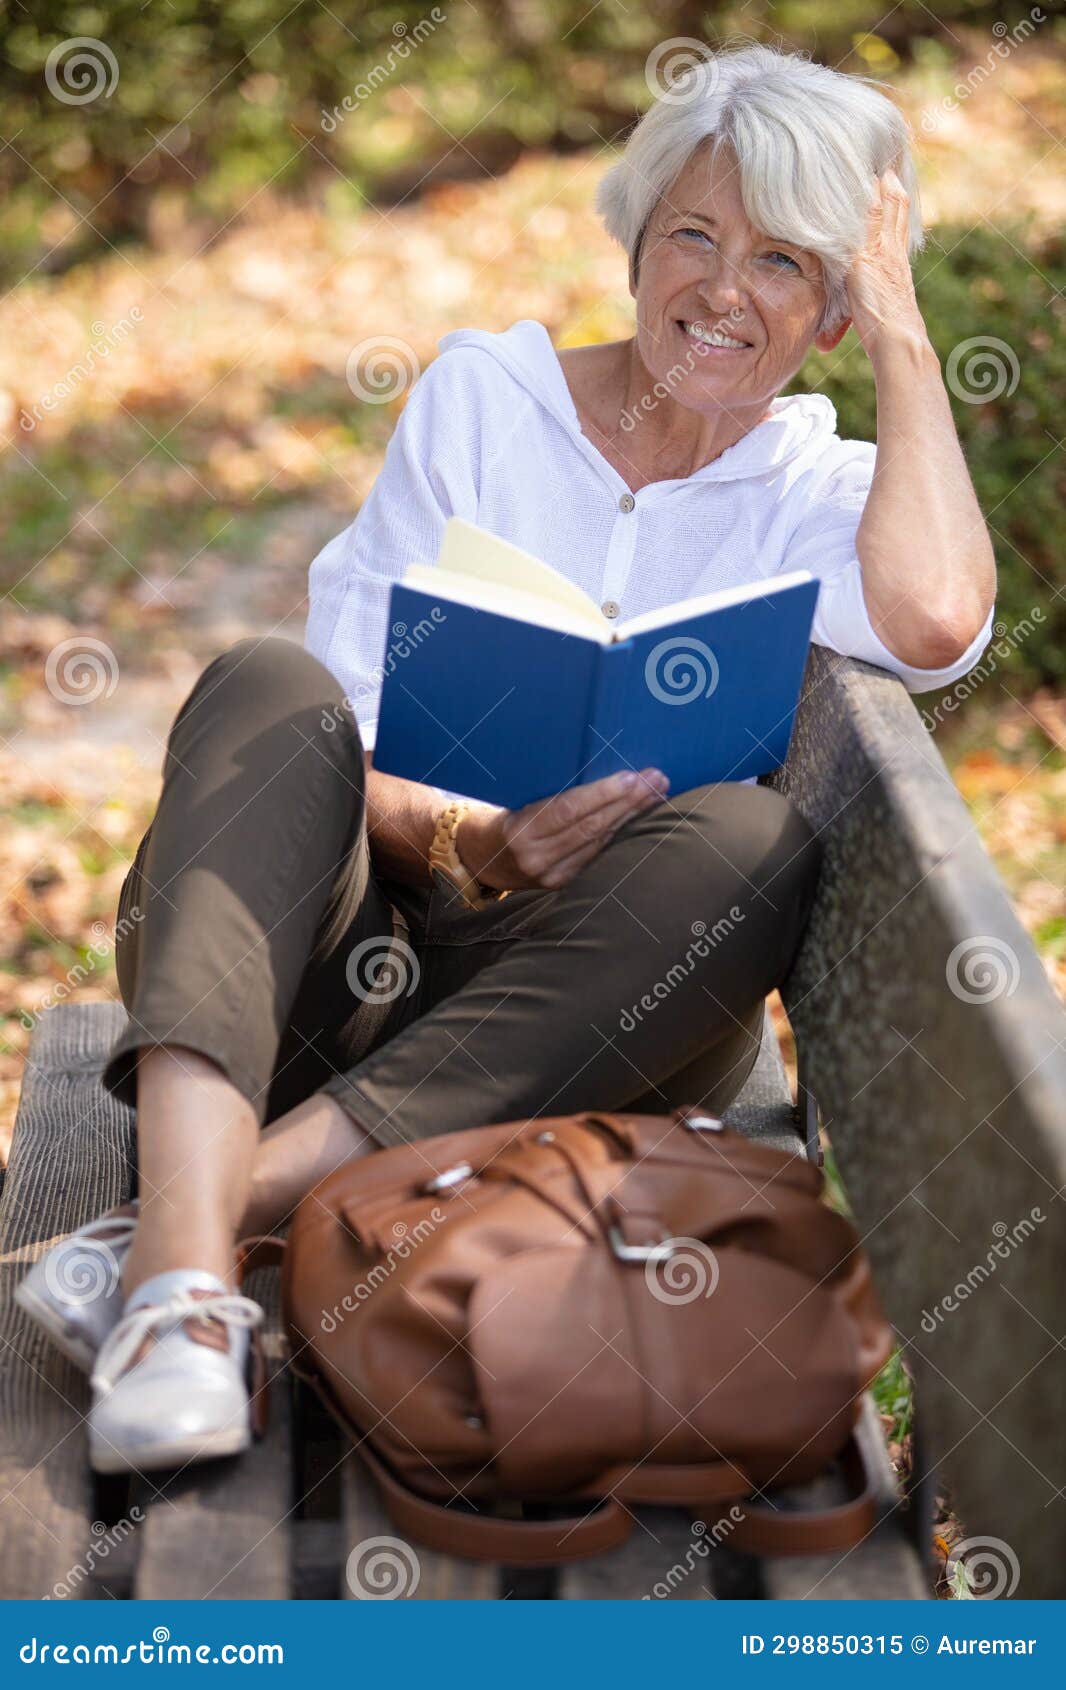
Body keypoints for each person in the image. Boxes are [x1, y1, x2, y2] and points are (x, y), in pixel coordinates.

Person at [18, 43, 994, 1476]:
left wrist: (906, 327)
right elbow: (332, 724)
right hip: (345, 982)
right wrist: (464, 838)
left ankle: (188, 1229)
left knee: (746, 843)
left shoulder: (821, 493)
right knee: (266, 682)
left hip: (588, 1030)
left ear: (835, 313)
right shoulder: (485, 399)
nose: (723, 290)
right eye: (693, 236)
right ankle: (186, 1289)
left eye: (787, 264)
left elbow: (931, 614)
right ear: (635, 243)